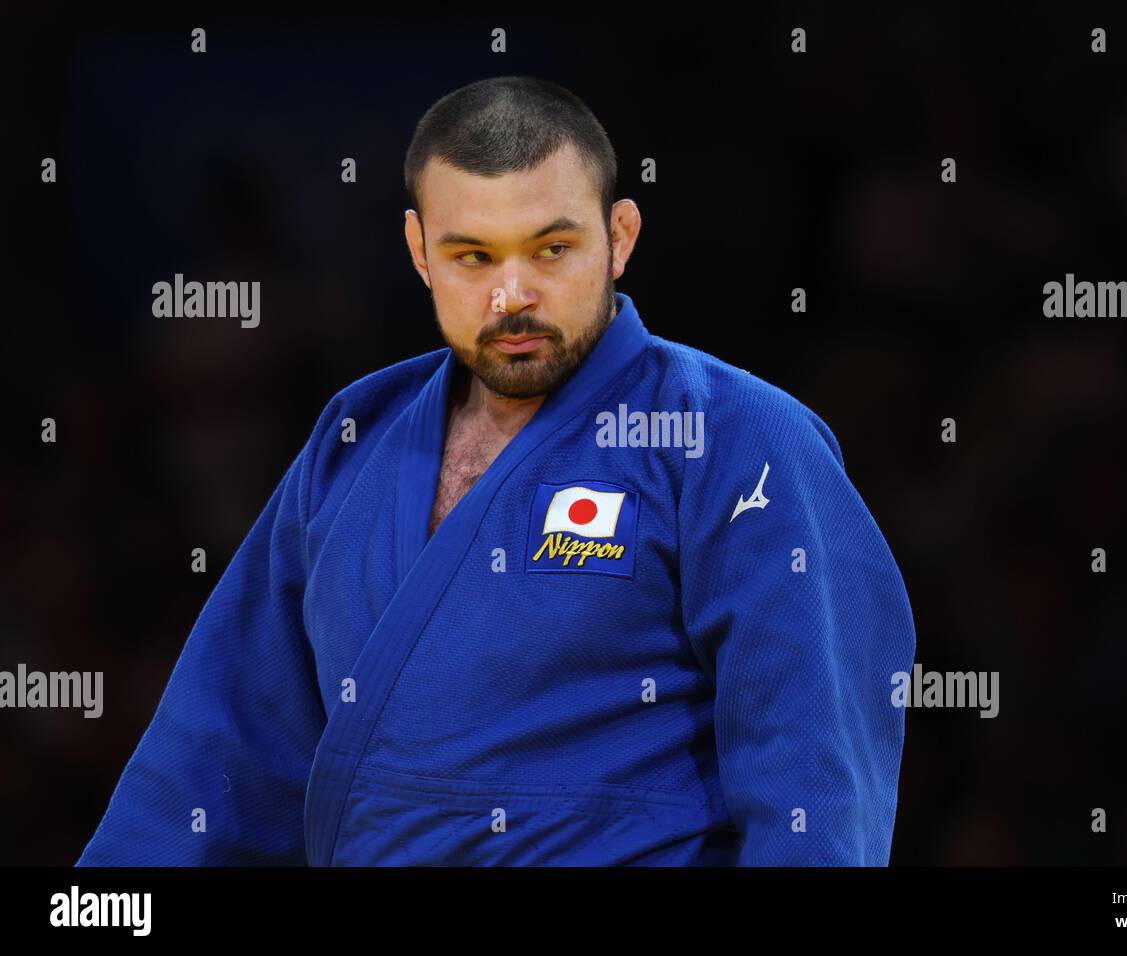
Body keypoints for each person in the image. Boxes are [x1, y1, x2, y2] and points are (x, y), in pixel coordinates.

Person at [77, 75, 915, 866]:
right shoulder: (356, 435)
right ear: (419, 251)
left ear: (620, 237)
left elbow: (814, 780)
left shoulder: (732, 435)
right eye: (473, 256)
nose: (513, 296)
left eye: (552, 249)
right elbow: (213, 749)